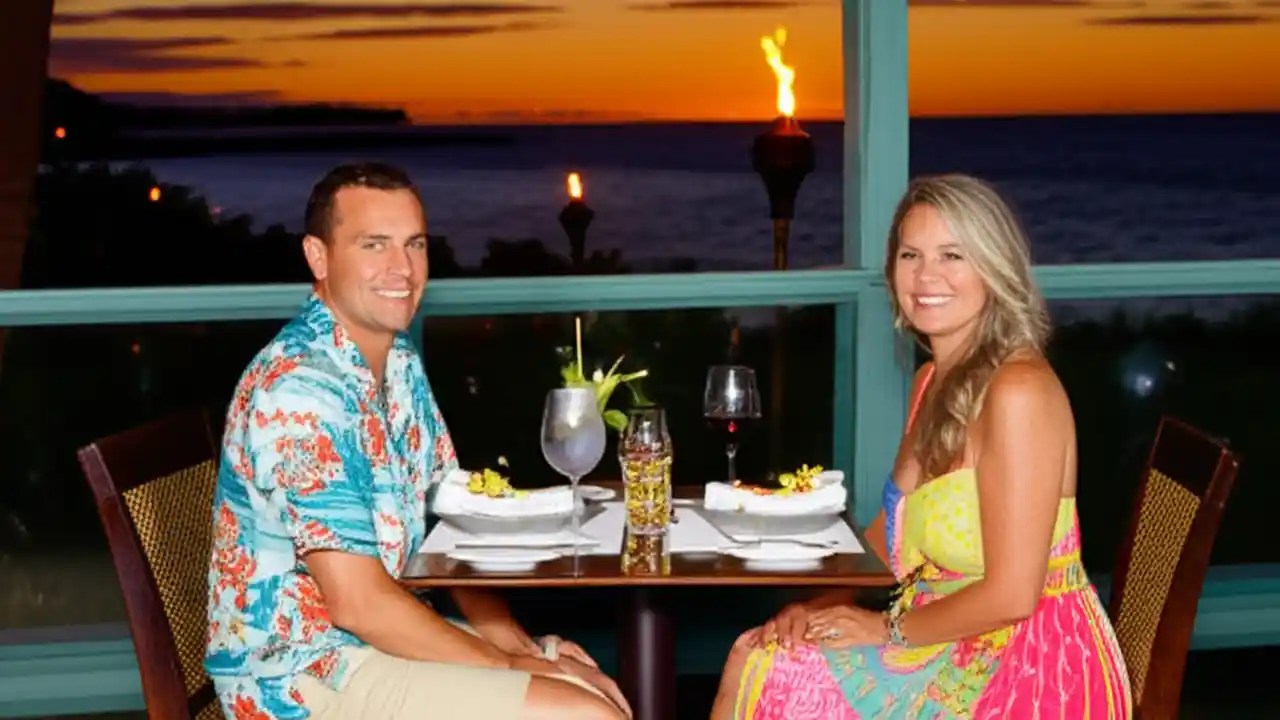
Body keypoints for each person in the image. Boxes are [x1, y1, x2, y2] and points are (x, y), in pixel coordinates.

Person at [204, 162, 631, 720]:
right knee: (586, 715)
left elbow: (447, 528)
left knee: (589, 688)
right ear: (318, 256)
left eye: (415, 244)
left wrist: (517, 644)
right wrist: (511, 668)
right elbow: (357, 603)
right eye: (373, 245)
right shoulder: (300, 390)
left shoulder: (398, 362)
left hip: (367, 643)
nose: (401, 268)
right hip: (298, 674)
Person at [711, 174, 1131, 719]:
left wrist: (883, 627)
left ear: (994, 269)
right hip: (942, 632)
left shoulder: (1018, 391)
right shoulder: (932, 382)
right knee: (763, 651)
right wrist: (813, 610)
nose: (927, 275)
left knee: (775, 675)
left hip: (1030, 664)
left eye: (953, 255)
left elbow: (1012, 596)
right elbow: (890, 540)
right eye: (911, 254)